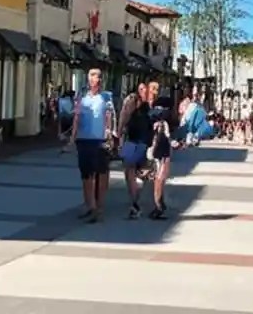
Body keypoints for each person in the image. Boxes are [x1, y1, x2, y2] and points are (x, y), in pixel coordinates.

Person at [70, 69, 114, 223]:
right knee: (87, 175)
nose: (98, 80)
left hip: (100, 140)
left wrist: (109, 133)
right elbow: (76, 117)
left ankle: (99, 207)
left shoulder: (106, 97)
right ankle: (90, 205)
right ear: (89, 80)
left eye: (100, 77)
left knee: (100, 174)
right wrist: (72, 137)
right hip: (84, 140)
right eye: (95, 77)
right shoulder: (81, 98)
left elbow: (109, 116)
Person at [119, 83, 153, 219]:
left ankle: (135, 202)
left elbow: (123, 123)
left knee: (130, 170)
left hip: (138, 142)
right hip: (133, 141)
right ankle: (134, 200)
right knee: (129, 172)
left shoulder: (144, 110)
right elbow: (123, 124)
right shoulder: (135, 108)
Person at [148, 94, 175, 218]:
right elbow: (165, 136)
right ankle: (158, 205)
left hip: (157, 148)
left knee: (158, 176)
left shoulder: (154, 118)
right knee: (160, 177)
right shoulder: (165, 120)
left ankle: (159, 203)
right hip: (162, 150)